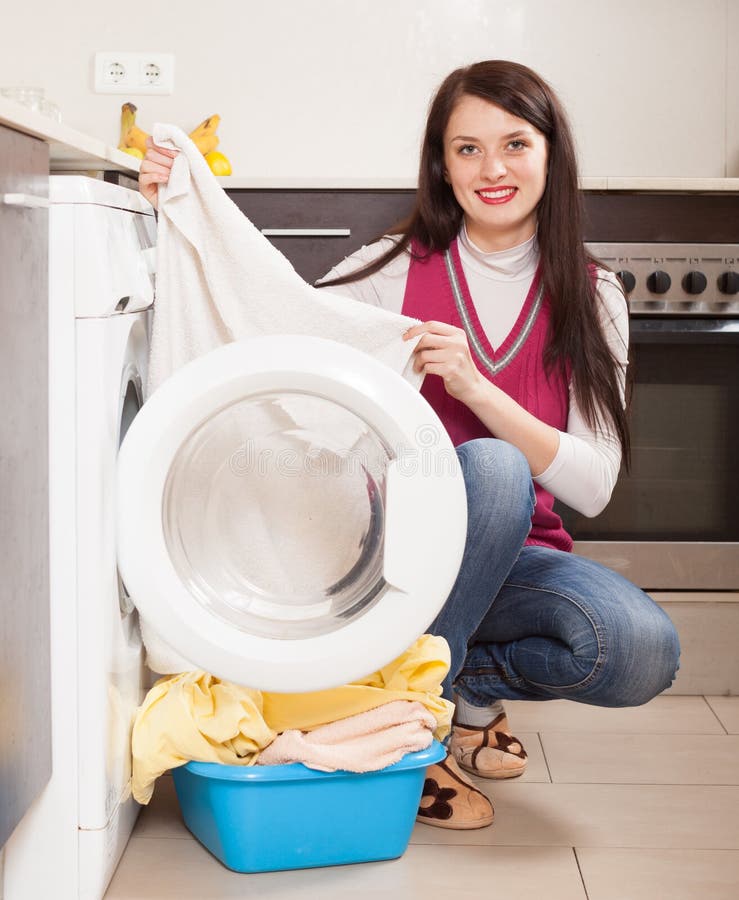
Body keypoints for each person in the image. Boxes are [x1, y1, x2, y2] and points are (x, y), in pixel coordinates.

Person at [139, 59, 681, 831]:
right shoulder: (390, 271)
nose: (491, 168)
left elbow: (593, 485)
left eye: (514, 144)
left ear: (550, 154)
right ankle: (415, 736)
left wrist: (476, 389)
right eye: (466, 149)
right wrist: (186, 213)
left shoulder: (591, 297)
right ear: (441, 165)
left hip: (518, 559)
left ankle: (455, 693)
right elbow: (266, 317)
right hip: (393, 562)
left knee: (637, 651)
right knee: (488, 469)